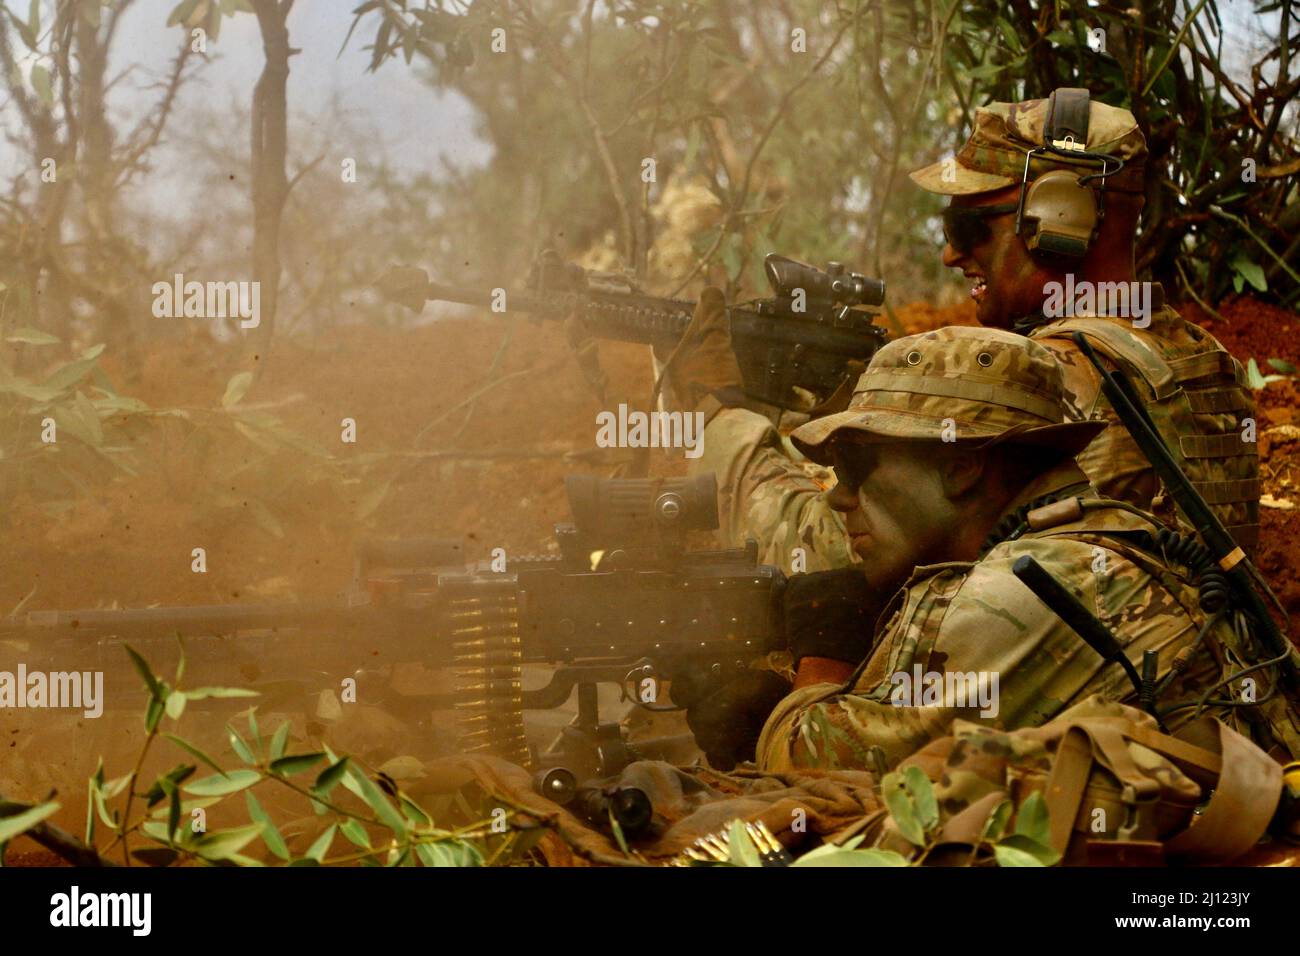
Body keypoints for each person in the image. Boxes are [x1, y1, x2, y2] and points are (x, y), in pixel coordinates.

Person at [680, 90, 1259, 581]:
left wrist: (723, 422)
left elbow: (823, 550)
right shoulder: (1206, 364)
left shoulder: (1044, 384)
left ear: (1061, 217)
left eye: (969, 227)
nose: (950, 254)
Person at [685, 326, 1300, 772]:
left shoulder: (1023, 588)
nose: (839, 498)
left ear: (962, 468)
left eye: (856, 465)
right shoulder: (1108, 538)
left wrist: (818, 661)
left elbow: (814, 760)